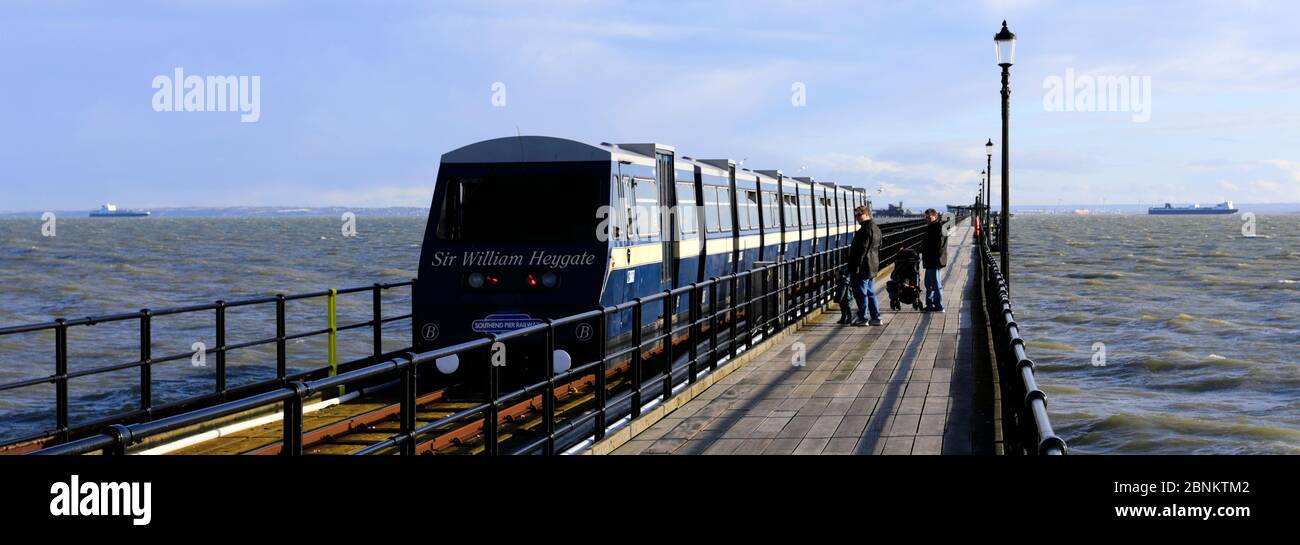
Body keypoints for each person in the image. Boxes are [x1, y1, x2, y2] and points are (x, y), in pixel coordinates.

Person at [846, 205, 883, 326]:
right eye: (856, 215)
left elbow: (861, 251)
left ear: (867, 214)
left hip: (862, 268)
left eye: (859, 215)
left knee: (861, 294)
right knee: (870, 293)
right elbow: (879, 247)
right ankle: (876, 318)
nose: (857, 217)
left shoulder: (864, 231)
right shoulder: (876, 229)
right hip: (872, 266)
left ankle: (863, 318)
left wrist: (855, 267)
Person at [921, 208, 948, 312]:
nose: (927, 219)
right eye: (926, 217)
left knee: (936, 284)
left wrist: (925, 250)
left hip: (934, 261)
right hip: (930, 260)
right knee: (928, 284)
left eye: (929, 217)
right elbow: (927, 244)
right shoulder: (931, 227)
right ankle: (929, 305)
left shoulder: (938, 228)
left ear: (935, 216)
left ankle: (939, 306)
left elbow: (939, 246)